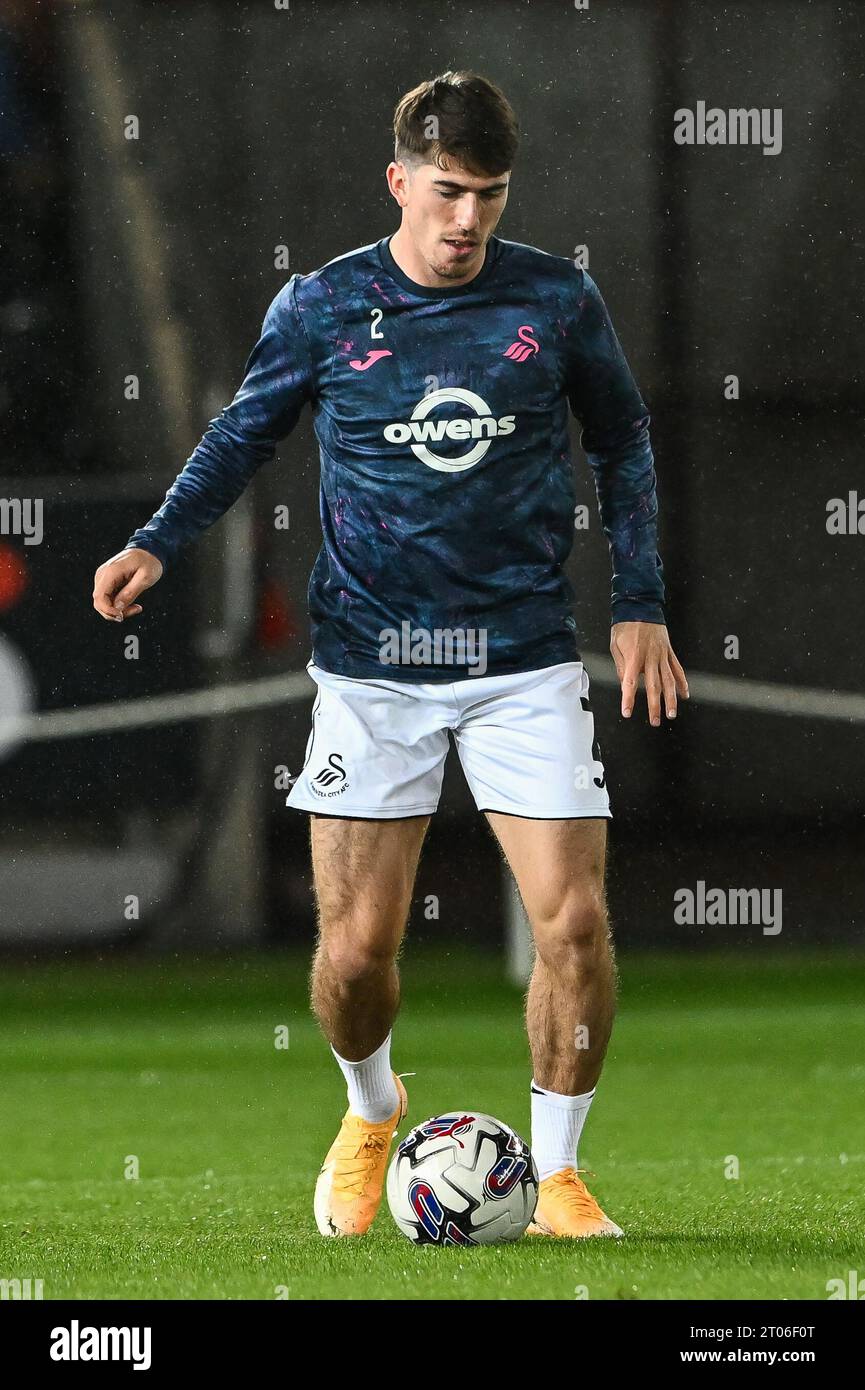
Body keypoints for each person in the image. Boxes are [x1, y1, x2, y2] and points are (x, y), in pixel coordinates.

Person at [93, 71, 688, 1240]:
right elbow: (241, 432)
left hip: (521, 659)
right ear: (400, 179)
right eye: (450, 193)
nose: (469, 220)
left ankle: (558, 1171)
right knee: (356, 952)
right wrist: (158, 539)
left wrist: (641, 597)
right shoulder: (322, 307)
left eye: (492, 196)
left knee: (570, 924)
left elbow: (620, 439)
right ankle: (373, 1110)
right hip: (372, 669)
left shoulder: (558, 301)